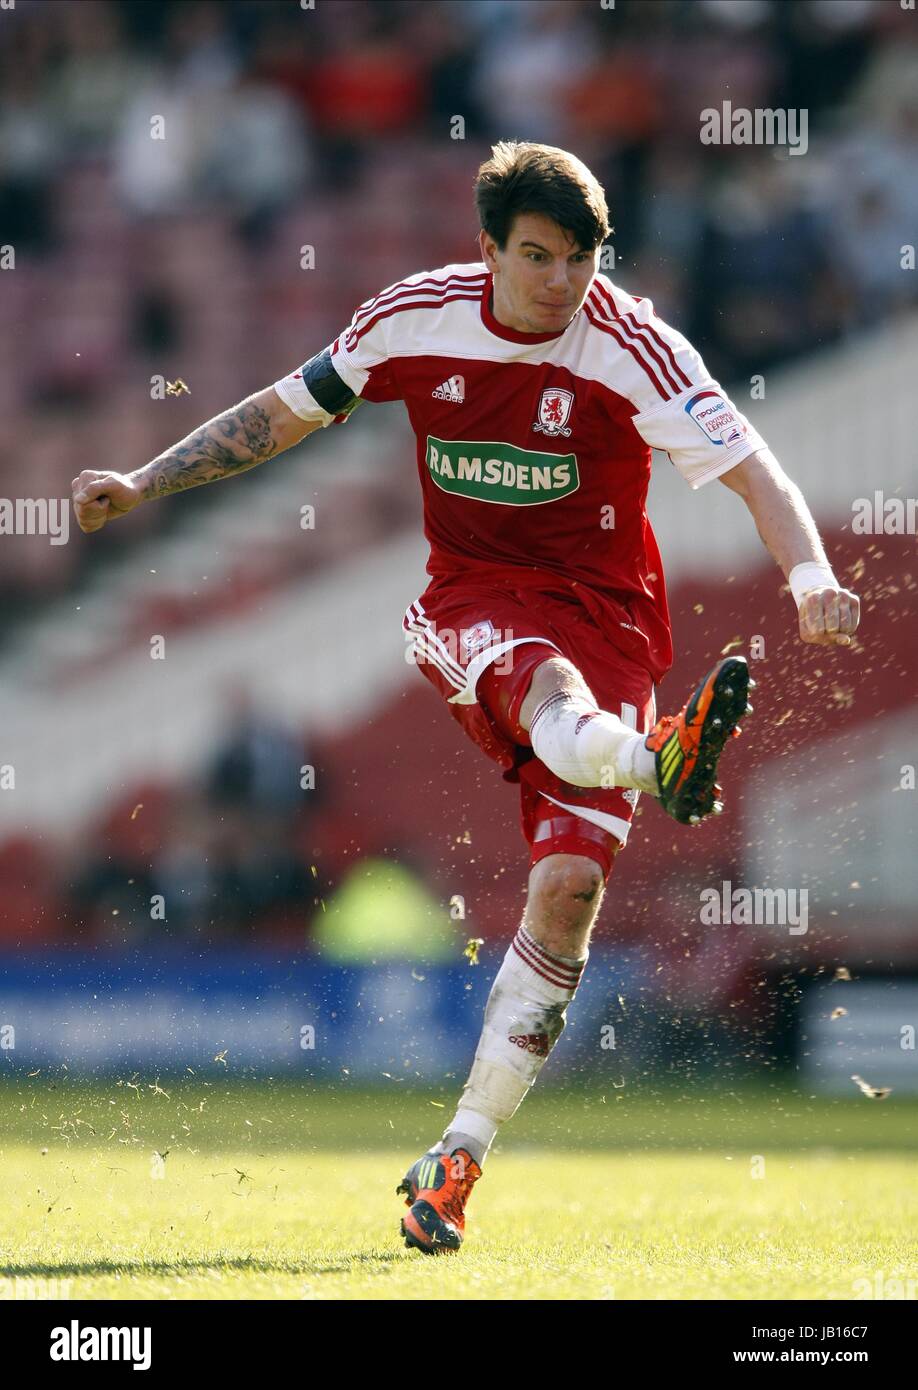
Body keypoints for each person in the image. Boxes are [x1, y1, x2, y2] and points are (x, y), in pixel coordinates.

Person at [72, 140, 860, 1255]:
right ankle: (656, 761)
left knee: (573, 887)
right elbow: (284, 412)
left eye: (582, 259)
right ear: (487, 248)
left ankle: (460, 1154)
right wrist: (145, 480)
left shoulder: (632, 343)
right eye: (537, 257)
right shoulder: (413, 318)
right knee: (548, 685)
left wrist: (814, 574)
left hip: (617, 617)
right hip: (475, 603)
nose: (562, 282)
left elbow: (753, 466)